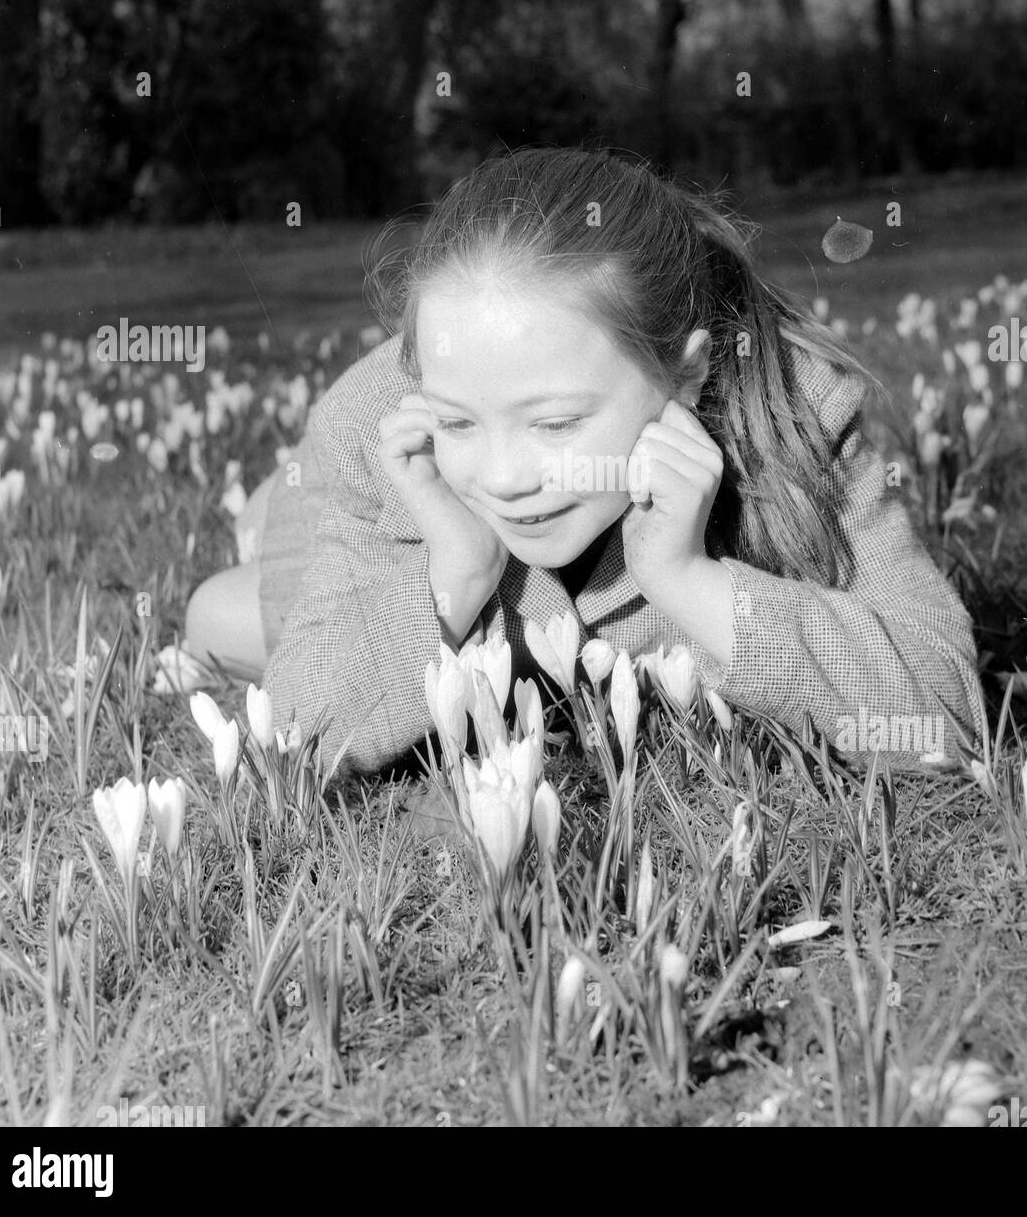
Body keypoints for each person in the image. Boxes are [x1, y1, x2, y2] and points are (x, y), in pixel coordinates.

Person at [184, 146, 986, 781]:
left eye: (558, 421)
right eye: (462, 418)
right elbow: (294, 730)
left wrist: (689, 578)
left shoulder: (798, 415)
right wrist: (457, 573)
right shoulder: (388, 440)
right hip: (336, 489)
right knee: (213, 618)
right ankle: (260, 509)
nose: (505, 477)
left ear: (686, 373)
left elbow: (945, 715)